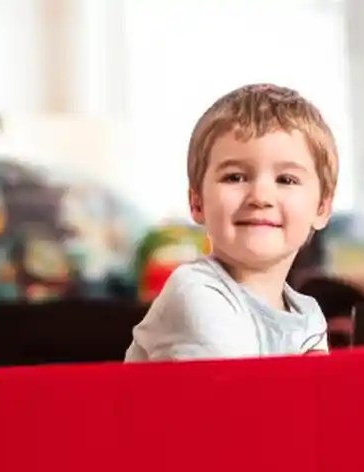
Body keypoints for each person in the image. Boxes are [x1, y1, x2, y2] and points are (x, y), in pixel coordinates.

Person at [125, 83, 338, 361]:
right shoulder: (195, 293)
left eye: (286, 179)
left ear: (322, 207)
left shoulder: (307, 315)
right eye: (235, 177)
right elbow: (240, 399)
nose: (260, 197)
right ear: (197, 202)